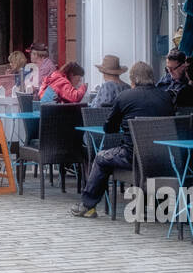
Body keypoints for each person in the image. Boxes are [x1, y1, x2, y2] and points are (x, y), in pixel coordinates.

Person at [71, 61, 174, 218]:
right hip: (164, 157)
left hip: (132, 156)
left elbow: (109, 128)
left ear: (133, 79)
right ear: (152, 78)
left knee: (100, 158)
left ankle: (88, 206)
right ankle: (157, 204)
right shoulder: (166, 97)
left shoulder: (125, 97)